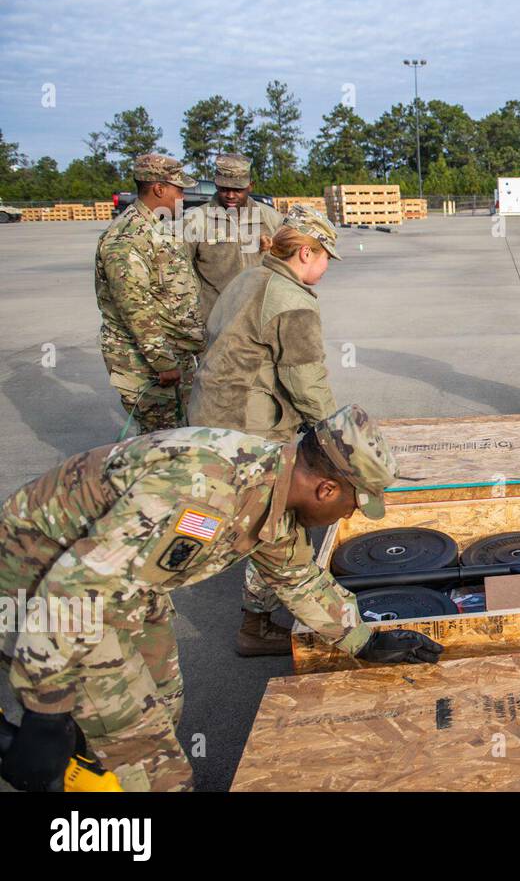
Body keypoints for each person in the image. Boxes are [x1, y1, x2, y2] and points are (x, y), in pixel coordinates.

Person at [0, 404, 443, 792]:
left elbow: (297, 578)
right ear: (326, 489)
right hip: (38, 582)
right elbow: (73, 588)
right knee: (151, 762)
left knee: (162, 702)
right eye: (353, 504)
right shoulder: (203, 489)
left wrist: (364, 641)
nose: (348, 515)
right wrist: (45, 708)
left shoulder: (276, 487)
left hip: (127, 583)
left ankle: (89, 757)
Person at [188, 204, 342, 656]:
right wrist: (337, 440)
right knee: (278, 522)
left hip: (212, 417)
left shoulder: (249, 278)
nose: (328, 266)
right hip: (249, 430)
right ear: (306, 253)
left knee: (241, 515)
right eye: (326, 256)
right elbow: (306, 381)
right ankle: (256, 626)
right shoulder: (291, 301)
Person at [94, 154, 206, 434]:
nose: (183, 197)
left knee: (182, 434)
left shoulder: (156, 228)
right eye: (179, 190)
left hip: (173, 353)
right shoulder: (127, 237)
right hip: (146, 363)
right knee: (160, 441)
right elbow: (134, 307)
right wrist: (163, 361)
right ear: (159, 189)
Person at [182, 152, 282, 322]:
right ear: (216, 185)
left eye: (237, 190)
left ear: (250, 186)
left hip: (260, 317)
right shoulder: (195, 220)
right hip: (215, 319)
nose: (230, 195)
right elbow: (180, 271)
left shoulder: (270, 218)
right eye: (224, 189)